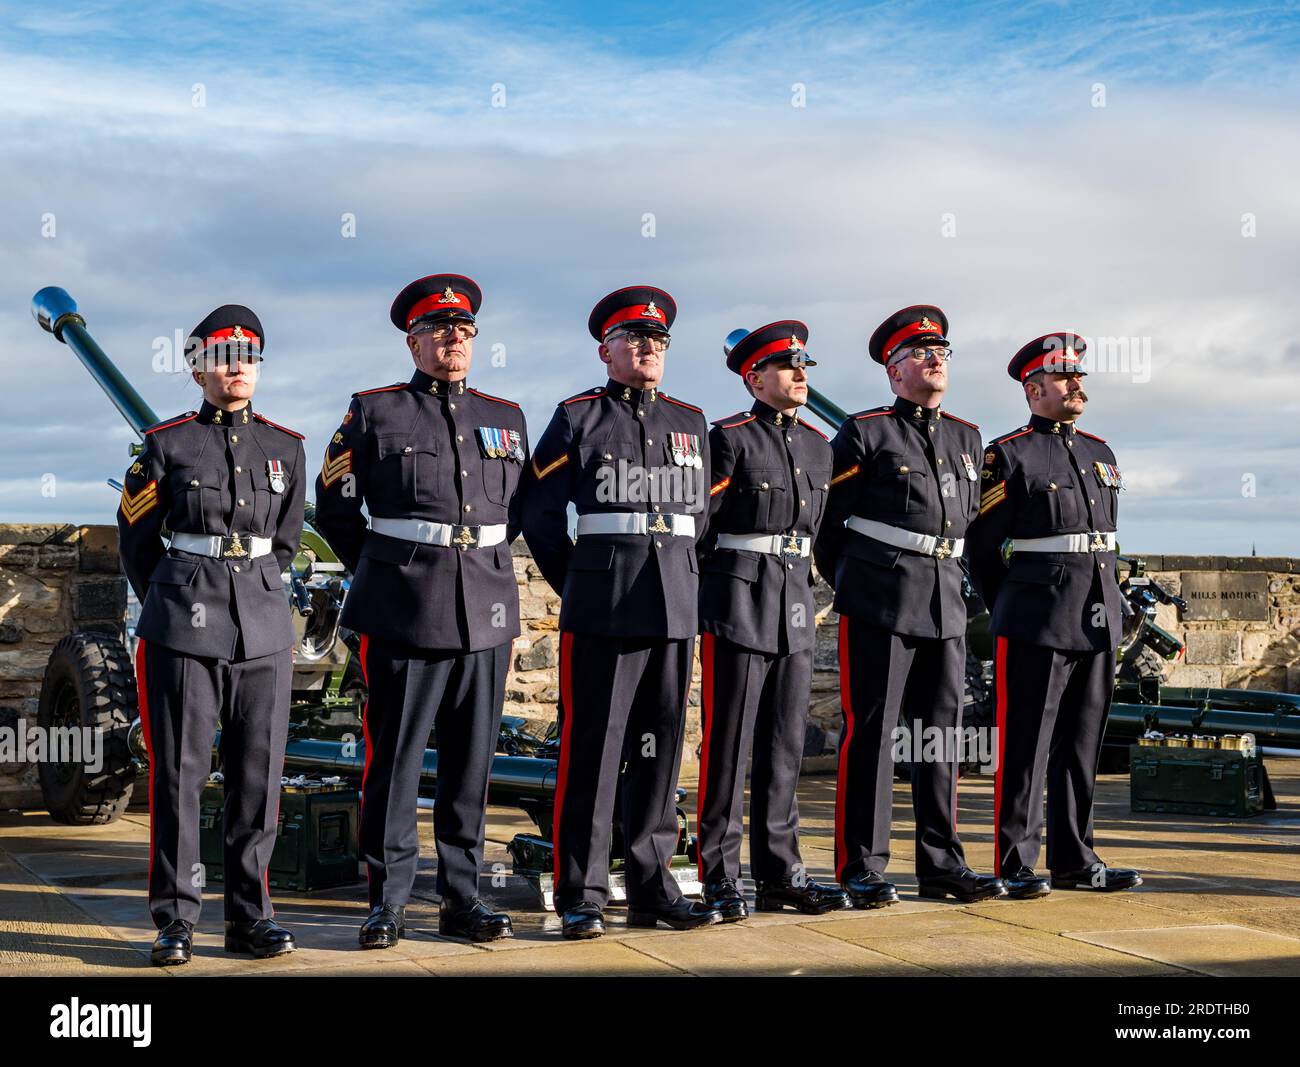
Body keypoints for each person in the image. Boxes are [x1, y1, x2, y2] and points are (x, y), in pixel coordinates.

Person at [313, 274, 527, 945]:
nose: (453, 340)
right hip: (404, 608)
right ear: (413, 339)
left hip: (486, 609)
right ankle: (390, 899)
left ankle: (464, 897)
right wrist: (386, 570)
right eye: (439, 330)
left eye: (463, 331)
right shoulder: (373, 412)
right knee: (397, 762)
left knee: (472, 765)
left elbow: (514, 512)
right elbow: (336, 508)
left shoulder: (506, 416)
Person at [520, 285, 722, 939]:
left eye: (657, 340)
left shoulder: (691, 422)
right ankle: (581, 892)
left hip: (673, 609)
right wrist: (579, 579)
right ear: (605, 349)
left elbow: (703, 519)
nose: (648, 348)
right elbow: (540, 512)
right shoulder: (577, 416)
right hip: (603, 608)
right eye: (634, 339)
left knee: (661, 754)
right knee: (594, 753)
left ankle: (652, 885)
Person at [119, 305, 306, 965]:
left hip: (262, 628)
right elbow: (138, 543)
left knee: (258, 777)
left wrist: (255, 601)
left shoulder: (286, 446)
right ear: (197, 366)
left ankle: (251, 918)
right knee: (179, 776)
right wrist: (172, 603)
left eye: (249, 355)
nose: (238, 367)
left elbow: (282, 546)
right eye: (224, 356)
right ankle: (176, 918)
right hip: (182, 626)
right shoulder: (165, 443)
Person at [814, 305, 1006, 907]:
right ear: (894, 371)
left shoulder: (967, 437)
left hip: (945, 600)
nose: (934, 362)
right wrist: (859, 580)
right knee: (872, 733)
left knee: (940, 737)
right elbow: (826, 526)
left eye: (941, 353)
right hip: (879, 600)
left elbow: (971, 527)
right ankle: (862, 866)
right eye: (922, 354)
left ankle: (941, 863)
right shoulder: (865, 433)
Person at [966, 333, 1141, 898]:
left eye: (1079, 377)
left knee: (1082, 743)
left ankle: (1076, 858)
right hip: (1035, 618)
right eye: (1064, 378)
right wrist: (1012, 608)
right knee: (1024, 745)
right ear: (1033, 389)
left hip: (1096, 618)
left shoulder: (1100, 452)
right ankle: (1015, 862)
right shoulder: (1007, 455)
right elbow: (983, 550)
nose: (1077, 385)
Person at [695, 321, 850, 919]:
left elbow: (820, 532)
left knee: (785, 746)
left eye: (803, 364)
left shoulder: (818, 446)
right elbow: (701, 530)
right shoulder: (727, 439)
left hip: (794, 602)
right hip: (736, 600)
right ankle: (719, 874)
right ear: (754, 378)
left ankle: (781, 874)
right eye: (787, 367)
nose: (800, 374)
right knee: (728, 746)